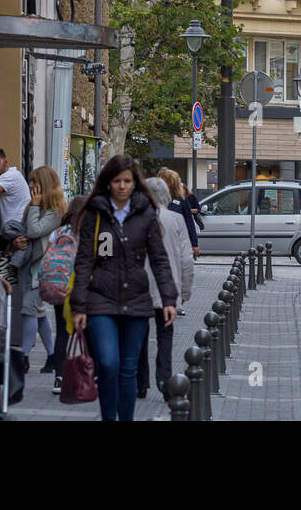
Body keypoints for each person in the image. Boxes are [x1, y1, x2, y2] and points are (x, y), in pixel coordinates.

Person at [70, 155, 178, 422]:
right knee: (108, 364)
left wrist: (168, 299)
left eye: (127, 181)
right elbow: (84, 261)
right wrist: (79, 305)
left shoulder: (146, 213)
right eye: (117, 181)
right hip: (100, 301)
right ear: (108, 183)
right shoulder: (95, 214)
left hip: (136, 301)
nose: (121, 186)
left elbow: (159, 259)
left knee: (128, 370)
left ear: (134, 183)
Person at [137, 176, 195, 400]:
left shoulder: (136, 219)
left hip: (139, 288)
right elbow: (187, 260)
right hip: (167, 288)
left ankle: (140, 383)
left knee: (138, 336)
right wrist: (185, 292)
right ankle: (164, 379)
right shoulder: (176, 219)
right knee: (165, 334)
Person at [19, 166, 67, 372]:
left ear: (44, 185)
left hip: (41, 269)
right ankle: (52, 356)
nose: (30, 185)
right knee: (38, 314)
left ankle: (23, 358)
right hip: (29, 266)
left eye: (34, 182)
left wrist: (35, 207)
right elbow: (26, 232)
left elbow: (34, 230)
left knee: (29, 311)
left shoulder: (56, 210)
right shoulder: (36, 205)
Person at [50, 195, 90, 394]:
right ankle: (84, 376)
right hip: (81, 288)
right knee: (85, 333)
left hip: (60, 287)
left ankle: (59, 377)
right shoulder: (89, 233)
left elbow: (49, 256)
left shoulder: (58, 232)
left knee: (62, 332)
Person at [160, 167, 202, 260]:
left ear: (170, 183)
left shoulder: (181, 198)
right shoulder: (156, 198)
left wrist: (194, 244)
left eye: (163, 181)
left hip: (177, 242)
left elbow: (189, 221)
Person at [0, 148, 31, 236]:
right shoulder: (7, 175)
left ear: (5, 161)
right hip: (13, 228)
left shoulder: (10, 176)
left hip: (16, 229)